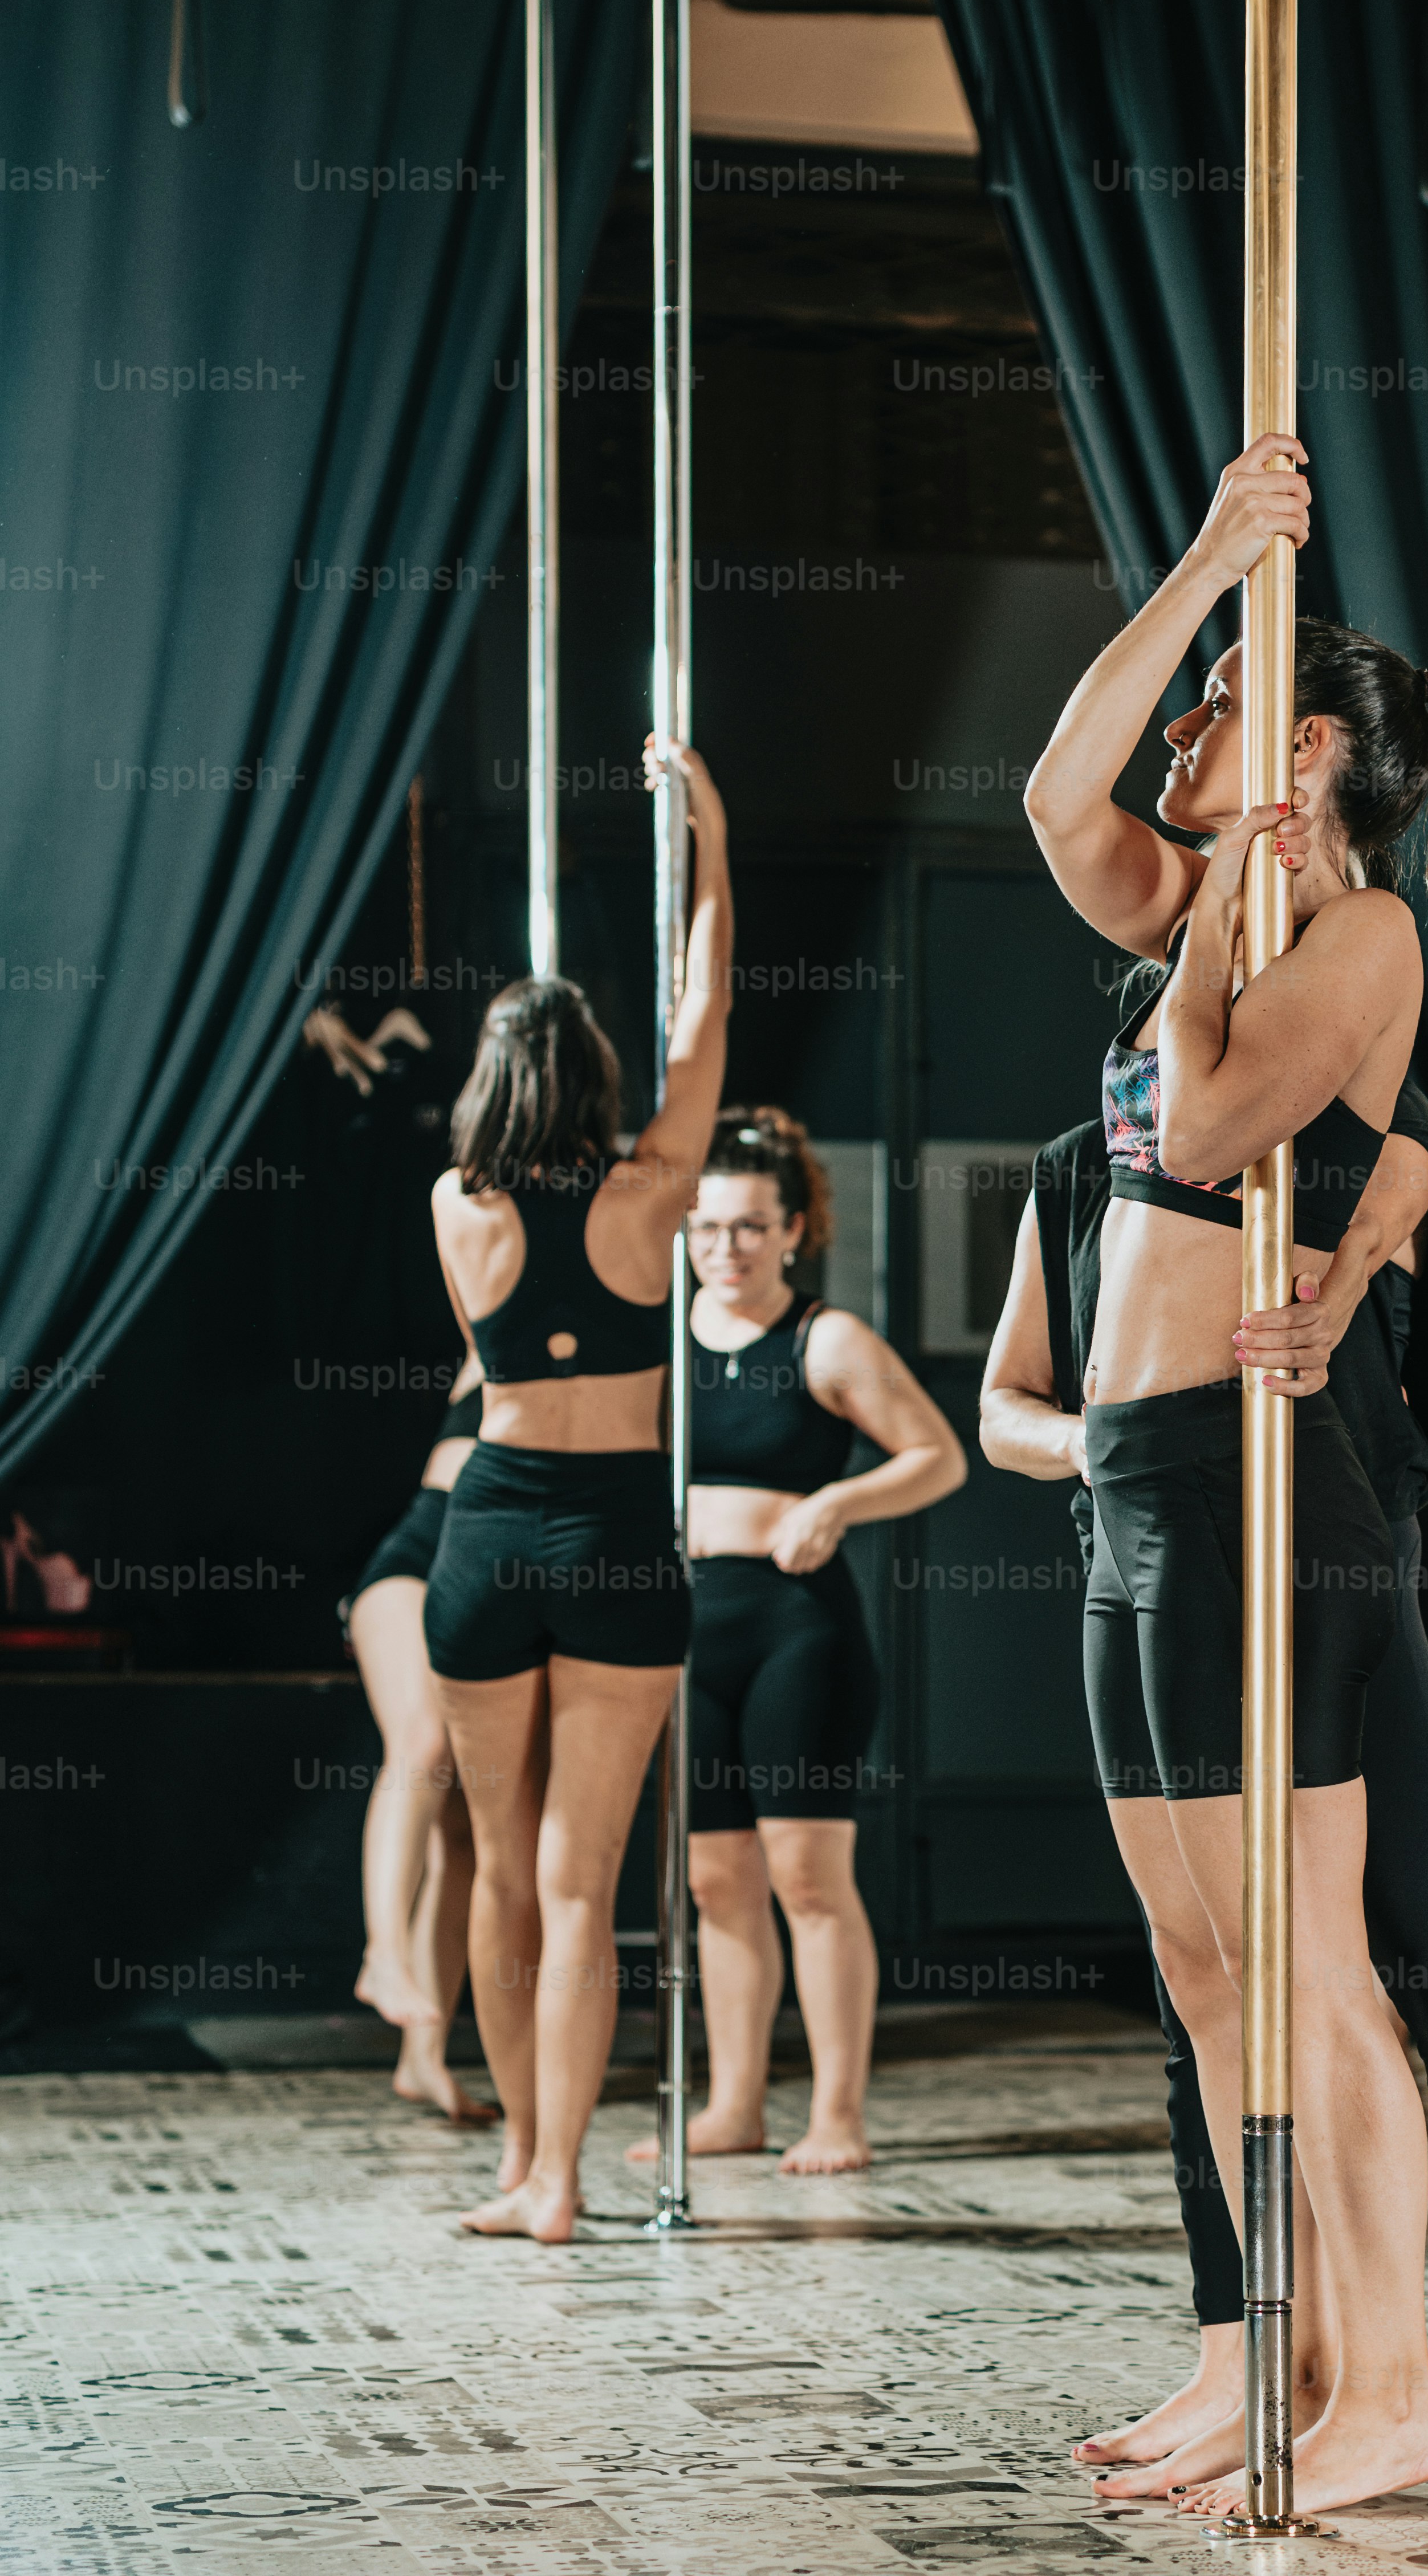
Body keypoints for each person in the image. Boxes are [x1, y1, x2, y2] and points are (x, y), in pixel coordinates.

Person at [1016, 436, 1428, 2515]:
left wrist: (1214, 942)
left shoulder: (1368, 939)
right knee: (1199, 1964)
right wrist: (1207, 564)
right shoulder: (1195, 894)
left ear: (1303, 747)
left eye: (1217, 701)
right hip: (1134, 1480)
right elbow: (1056, 796)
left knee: (1312, 1960)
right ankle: (1276, 2358)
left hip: (1263, 1489)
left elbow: (1212, 1128)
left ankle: (1394, 2391)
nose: (1177, 730)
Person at [981, 1109, 1428, 2496]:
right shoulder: (1079, 1166)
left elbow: (1391, 1205)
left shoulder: (1354, 1133)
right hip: (1145, 1547)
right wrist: (1104, 1435)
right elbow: (1004, 1404)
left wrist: (1325, 1293)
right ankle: (1261, 2361)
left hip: (1331, 1556)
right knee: (1200, 1984)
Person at [422, 736, 730, 2243]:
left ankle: (519, 2166)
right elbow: (707, 1012)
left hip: (487, 1529)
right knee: (579, 1880)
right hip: (613, 1533)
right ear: (598, 1077)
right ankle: (556, 2186)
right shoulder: (652, 1193)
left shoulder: (455, 1204)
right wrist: (712, 845)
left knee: (498, 1864)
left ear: (489, 1082)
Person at [620, 1104, 965, 2174]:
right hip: (683, 1634)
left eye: (749, 1227)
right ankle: (732, 2106)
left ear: (792, 1230)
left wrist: (837, 1503)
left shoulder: (827, 1340)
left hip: (794, 1634)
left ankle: (837, 2115)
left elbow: (938, 1457)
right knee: (714, 1882)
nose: (724, 1248)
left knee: (808, 1879)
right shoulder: (658, 1340)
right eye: (706, 1227)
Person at [341, 1350, 494, 2123]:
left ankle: (423, 2059)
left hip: (502, 1583)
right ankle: (383, 1951)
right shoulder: (494, 1336)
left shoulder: (629, 1357)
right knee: (423, 1741)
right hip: (417, 1561)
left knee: (463, 1837)